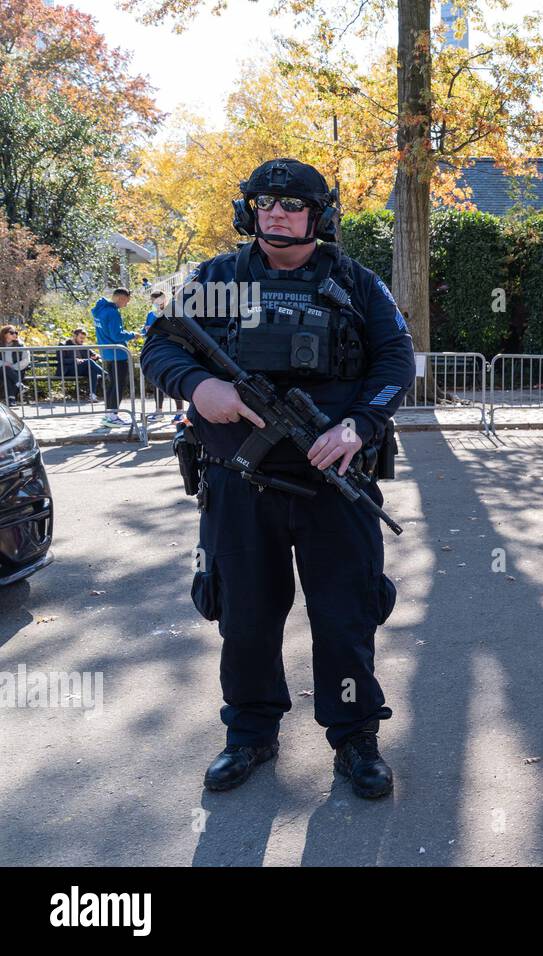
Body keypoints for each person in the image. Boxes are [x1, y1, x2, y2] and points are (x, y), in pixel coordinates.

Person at [140, 158, 415, 798]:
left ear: (319, 214)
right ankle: (249, 733)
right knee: (245, 615)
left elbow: (398, 359)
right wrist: (199, 384)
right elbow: (158, 345)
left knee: (347, 615)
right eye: (265, 203)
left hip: (336, 478)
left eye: (293, 204)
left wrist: (359, 426)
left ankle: (354, 737)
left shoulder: (356, 282)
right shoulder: (214, 280)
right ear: (249, 211)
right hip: (240, 483)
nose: (278, 214)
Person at [90, 288, 138, 425]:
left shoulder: (100, 310)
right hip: (118, 354)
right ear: (121, 298)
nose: (126, 305)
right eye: (127, 301)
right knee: (118, 385)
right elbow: (117, 335)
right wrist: (133, 335)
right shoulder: (112, 313)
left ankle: (109, 414)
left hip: (107, 353)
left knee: (112, 385)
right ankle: (112, 416)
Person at [142, 291, 184, 422]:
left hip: (171, 351)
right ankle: (159, 411)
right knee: (157, 382)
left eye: (159, 302)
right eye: (154, 302)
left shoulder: (171, 312)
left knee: (174, 380)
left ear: (164, 300)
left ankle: (179, 412)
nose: (156, 304)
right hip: (155, 351)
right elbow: (145, 331)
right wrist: (145, 330)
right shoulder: (150, 314)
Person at [58, 328, 104, 401]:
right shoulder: (64, 344)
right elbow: (61, 360)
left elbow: (94, 354)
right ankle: (105, 374)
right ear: (75, 336)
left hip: (80, 369)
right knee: (89, 361)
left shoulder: (83, 346)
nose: (82, 340)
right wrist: (75, 360)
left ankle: (92, 395)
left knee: (93, 370)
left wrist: (96, 356)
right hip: (69, 370)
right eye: (81, 338)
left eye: (84, 338)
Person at [1, 325, 31, 403]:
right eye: (12, 332)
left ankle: (12, 400)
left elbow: (26, 359)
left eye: (16, 332)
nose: (15, 334)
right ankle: (19, 386)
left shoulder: (20, 345)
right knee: (5, 369)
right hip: (1, 370)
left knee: (7, 374)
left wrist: (13, 367)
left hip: (18, 370)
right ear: (4, 334)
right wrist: (3, 363)